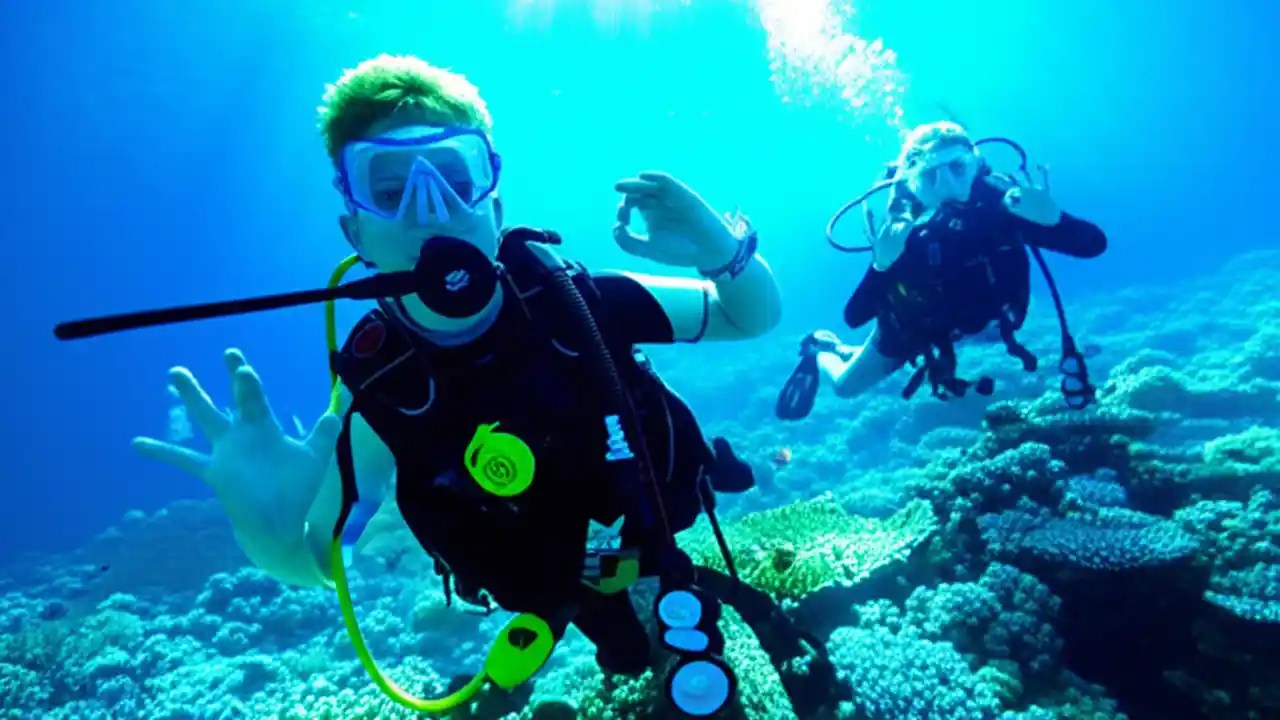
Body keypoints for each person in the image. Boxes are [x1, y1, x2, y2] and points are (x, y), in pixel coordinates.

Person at [109, 54, 845, 717]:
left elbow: (748, 316)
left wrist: (722, 248)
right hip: (533, 587)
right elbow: (318, 559)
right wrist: (268, 535)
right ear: (355, 232)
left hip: (649, 549)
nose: (429, 208)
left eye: (455, 177)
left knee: (688, 676)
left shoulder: (577, 302)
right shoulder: (377, 390)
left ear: (492, 206)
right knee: (585, 660)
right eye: (389, 188)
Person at [776, 120, 1108, 421]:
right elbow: (855, 316)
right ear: (912, 180)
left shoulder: (1002, 206)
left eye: (956, 167)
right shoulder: (906, 230)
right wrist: (881, 266)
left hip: (990, 322)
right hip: (916, 331)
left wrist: (1057, 220)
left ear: (974, 163)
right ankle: (825, 351)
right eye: (930, 175)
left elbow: (1093, 245)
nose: (946, 184)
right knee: (846, 388)